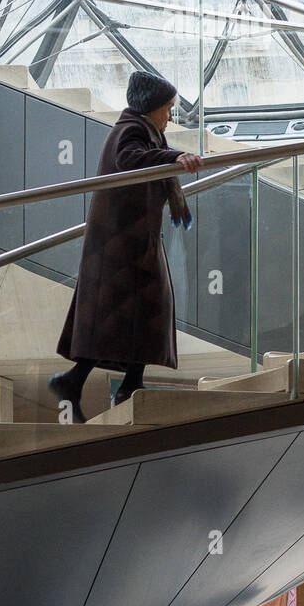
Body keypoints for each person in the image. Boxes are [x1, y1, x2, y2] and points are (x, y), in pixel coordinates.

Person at [48, 70, 203, 422]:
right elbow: (129, 159)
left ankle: (104, 382)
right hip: (121, 245)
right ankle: (107, 383)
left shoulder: (146, 132)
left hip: (129, 242)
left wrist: (171, 157)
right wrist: (176, 157)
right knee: (134, 311)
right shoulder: (131, 131)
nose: (170, 116)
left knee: (135, 313)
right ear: (150, 107)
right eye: (167, 108)